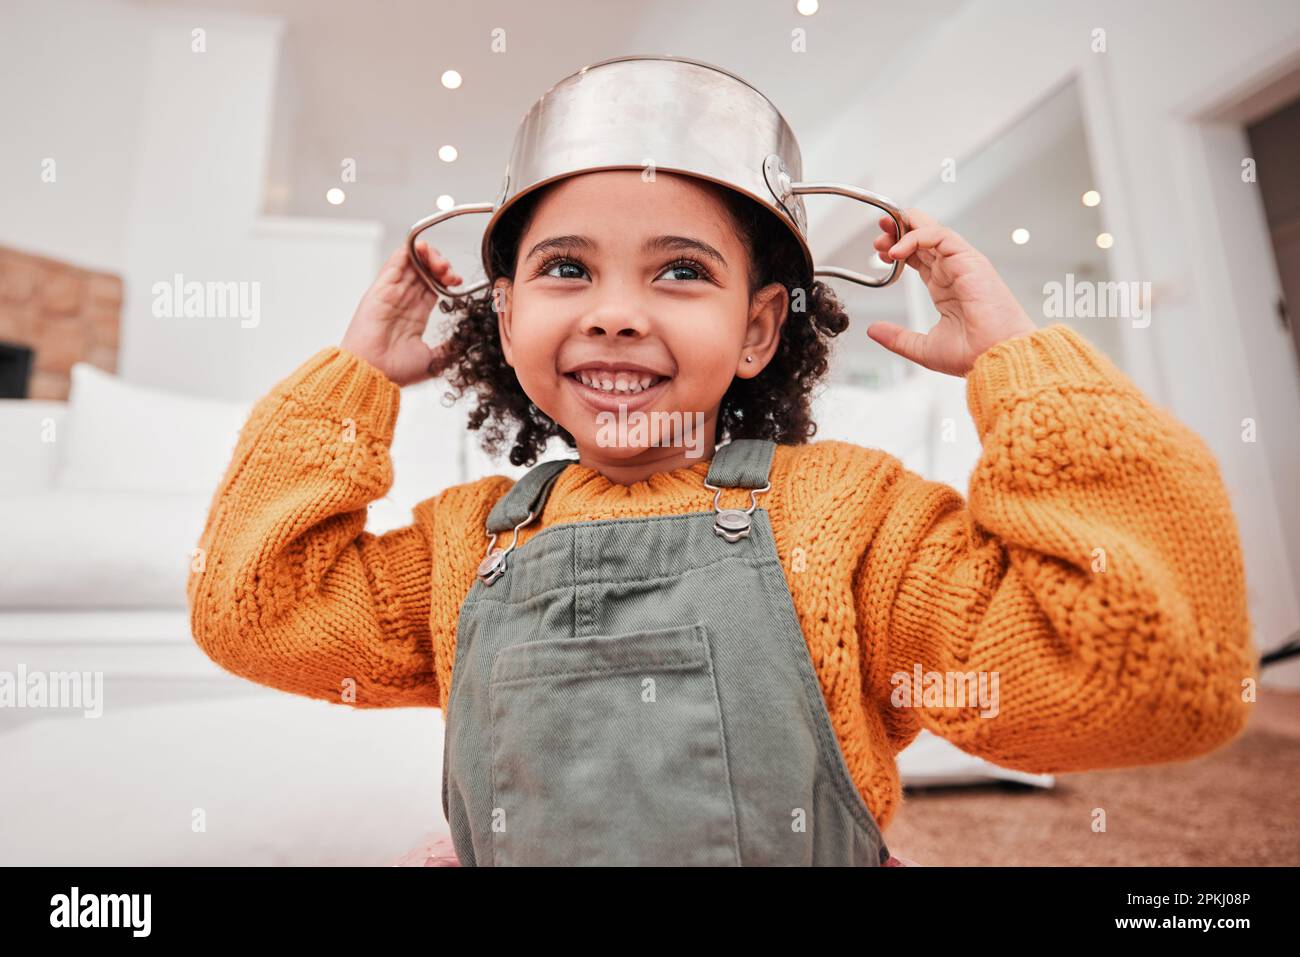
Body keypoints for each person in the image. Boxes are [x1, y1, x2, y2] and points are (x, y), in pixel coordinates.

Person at [187, 167, 1256, 866]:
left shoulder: (854, 515)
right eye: (565, 270)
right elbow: (254, 608)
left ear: (755, 332)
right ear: (505, 318)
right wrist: (348, 380)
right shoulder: (463, 541)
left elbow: (1153, 678)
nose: (614, 308)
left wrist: (1024, 368)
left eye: (680, 272)